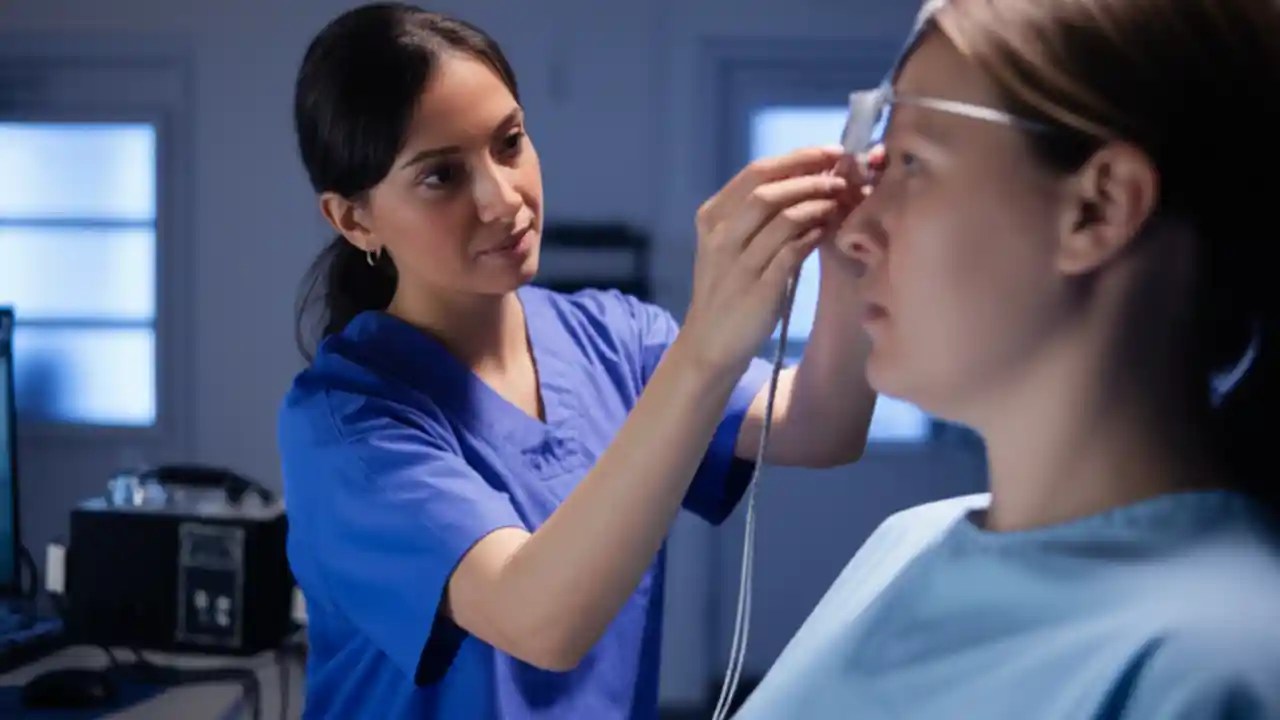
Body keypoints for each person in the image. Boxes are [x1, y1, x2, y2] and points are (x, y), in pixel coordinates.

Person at [277, 3, 877, 718]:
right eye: (441, 176)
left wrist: (852, 262)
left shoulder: (611, 335)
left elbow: (823, 425)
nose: (504, 200)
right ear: (354, 219)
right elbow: (540, 622)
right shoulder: (348, 423)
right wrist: (708, 345)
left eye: (509, 143)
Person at [735, 0, 1280, 717]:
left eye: (913, 164)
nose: (855, 229)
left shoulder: (1216, 662)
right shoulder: (903, 546)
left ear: (1100, 207)